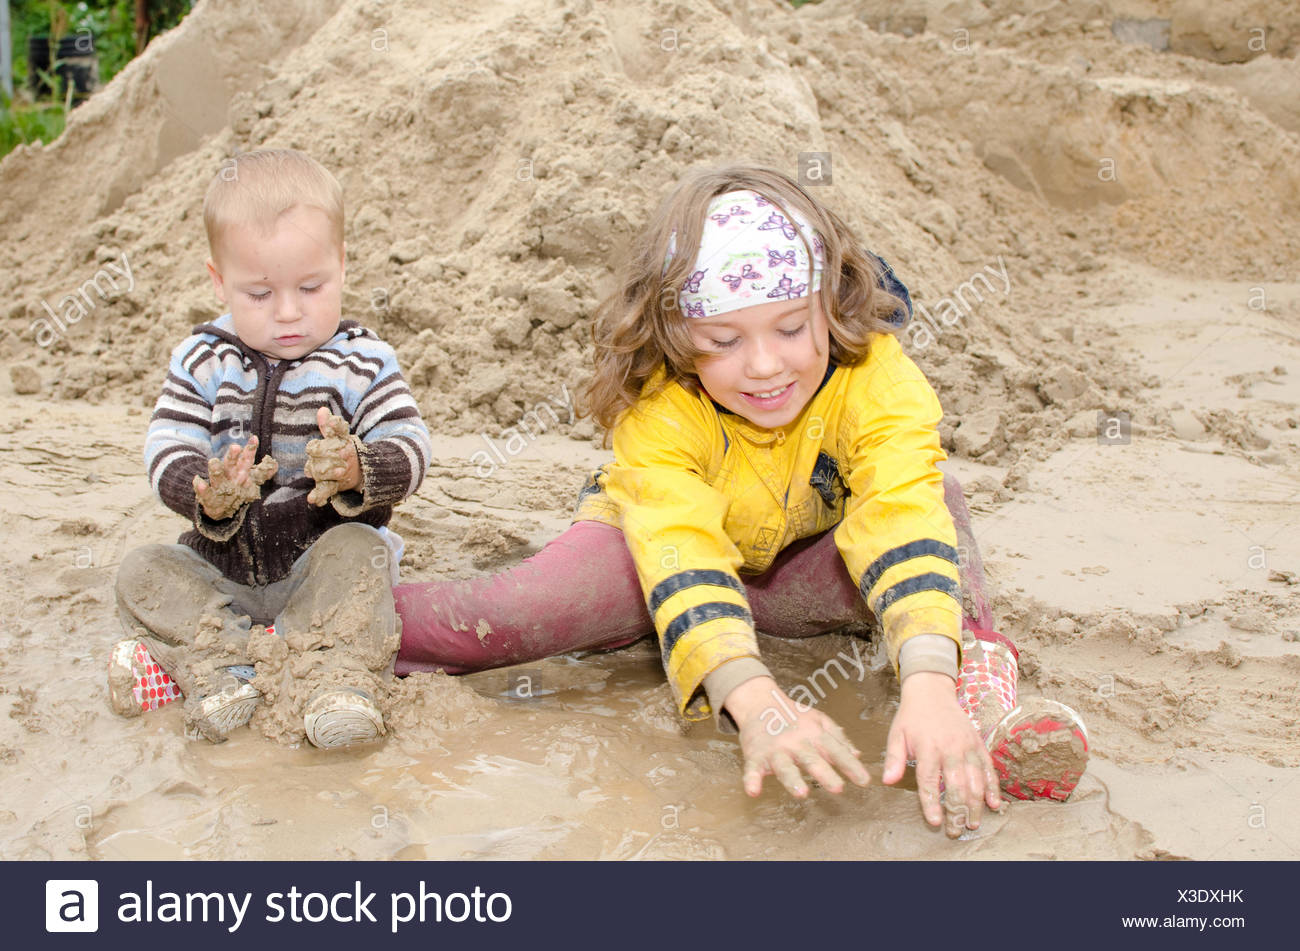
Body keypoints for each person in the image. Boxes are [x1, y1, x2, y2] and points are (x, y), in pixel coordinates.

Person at [394, 165, 1088, 835]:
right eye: (724, 341)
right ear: (676, 336)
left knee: (937, 496)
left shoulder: (875, 374)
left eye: (790, 329)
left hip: (800, 570)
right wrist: (755, 701)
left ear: (830, 304)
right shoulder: (662, 404)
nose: (763, 365)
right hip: (649, 561)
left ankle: (976, 698)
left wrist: (927, 682)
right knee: (512, 613)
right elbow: (681, 550)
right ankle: (328, 619)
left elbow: (900, 511)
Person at [108, 148, 432, 749]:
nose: (288, 312)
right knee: (141, 574)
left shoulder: (362, 361)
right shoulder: (202, 359)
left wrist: (362, 466)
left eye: (311, 286)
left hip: (318, 565)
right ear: (218, 280)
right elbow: (165, 444)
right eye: (258, 294)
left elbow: (411, 444)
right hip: (223, 571)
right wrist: (203, 488)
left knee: (362, 552)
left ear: (341, 264)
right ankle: (224, 667)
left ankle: (334, 678)